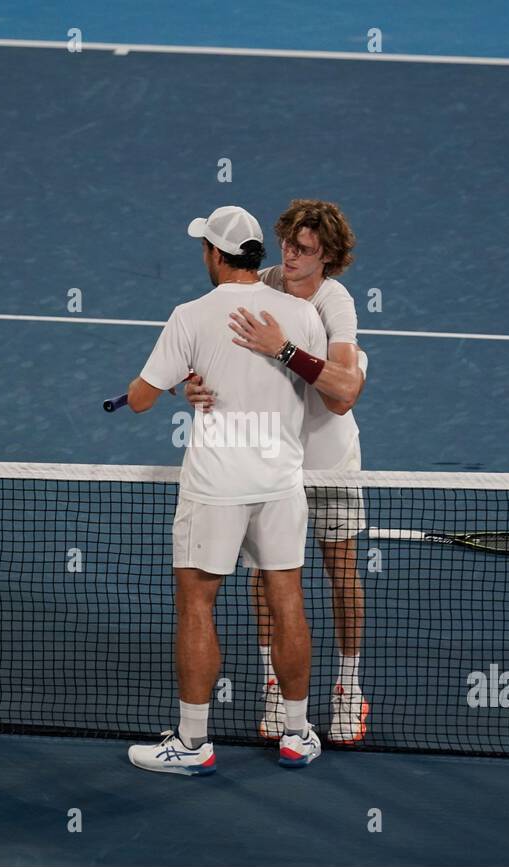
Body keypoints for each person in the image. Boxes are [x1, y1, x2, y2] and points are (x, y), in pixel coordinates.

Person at [124, 205, 348, 775]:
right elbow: (322, 390)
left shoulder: (191, 315)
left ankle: (194, 743)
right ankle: (298, 732)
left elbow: (143, 396)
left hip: (215, 485)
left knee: (197, 605)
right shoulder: (300, 315)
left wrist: (179, 382)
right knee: (288, 600)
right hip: (280, 482)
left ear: (214, 255)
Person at [186, 199, 370, 743]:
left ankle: (348, 685)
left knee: (340, 571)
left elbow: (342, 395)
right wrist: (190, 386)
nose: (290, 256)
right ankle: (274, 682)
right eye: (288, 242)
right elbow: (208, 350)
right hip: (268, 459)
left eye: (306, 250)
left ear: (329, 257)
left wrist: (284, 349)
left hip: (329, 461)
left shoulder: (336, 303)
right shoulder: (260, 280)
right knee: (267, 580)